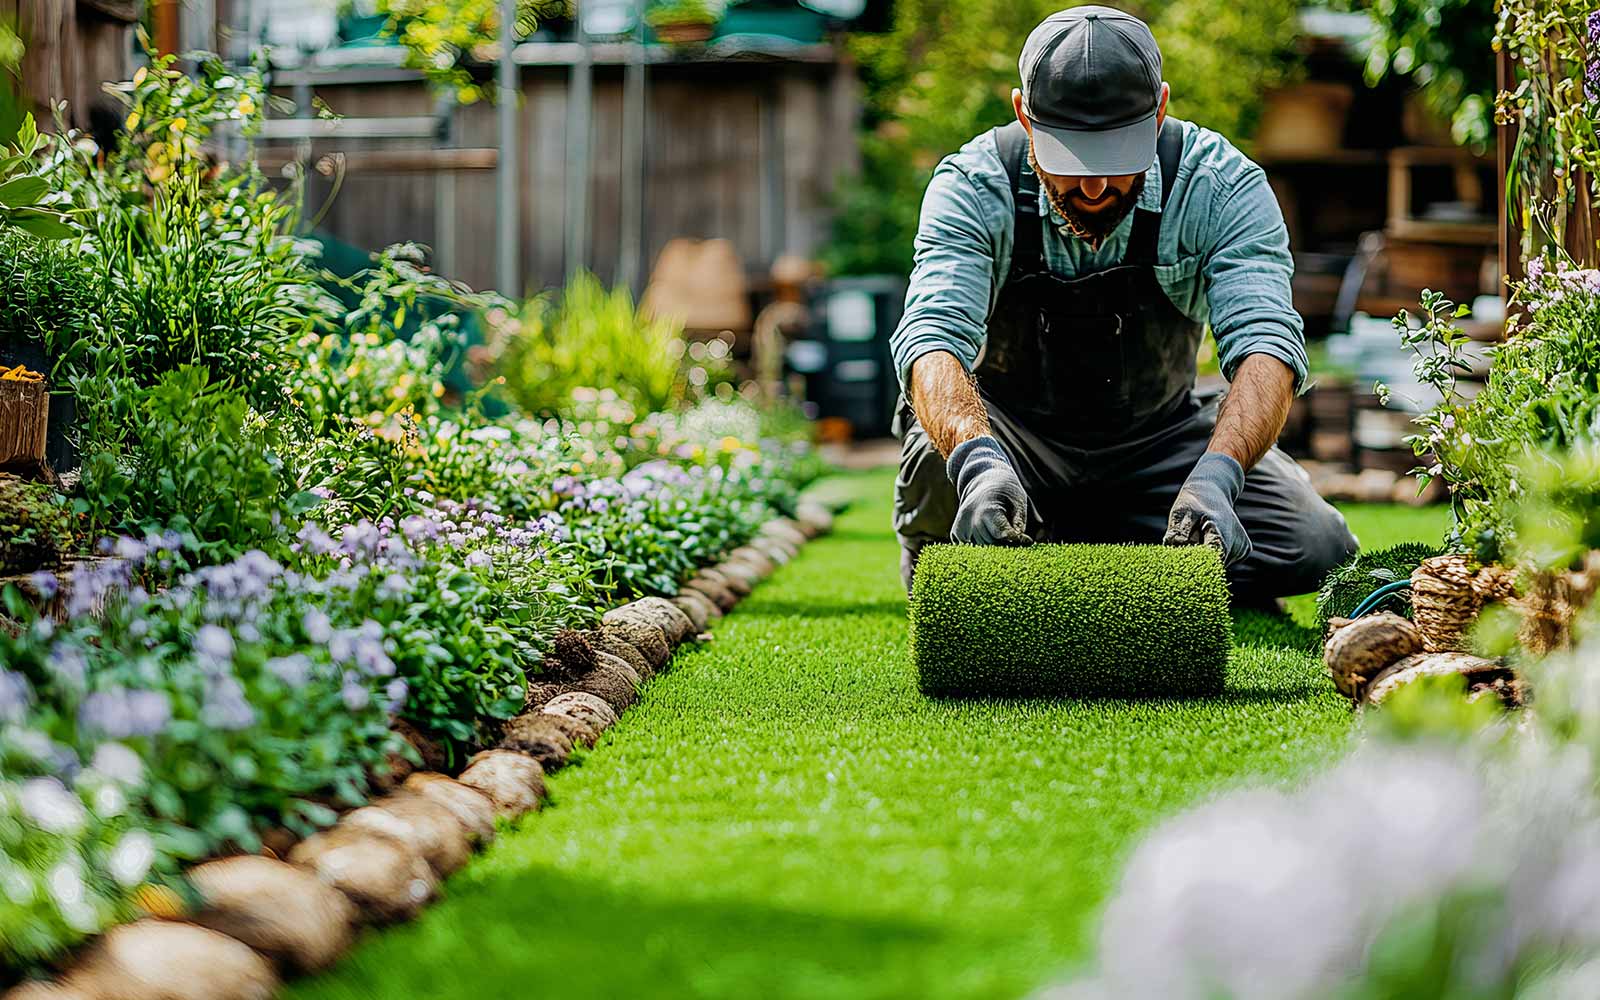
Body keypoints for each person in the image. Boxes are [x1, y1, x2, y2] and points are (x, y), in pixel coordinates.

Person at [892, 4, 1359, 601]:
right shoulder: (973, 185)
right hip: (1012, 441)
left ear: (1160, 109)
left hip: (1159, 442)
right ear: (1024, 117)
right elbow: (930, 339)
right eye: (1069, 159)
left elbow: (1267, 343)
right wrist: (979, 466)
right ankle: (974, 533)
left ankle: (1079, 544)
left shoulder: (1221, 186)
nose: (1092, 187)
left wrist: (1218, 476)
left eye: (1115, 159)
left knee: (1317, 548)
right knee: (944, 463)